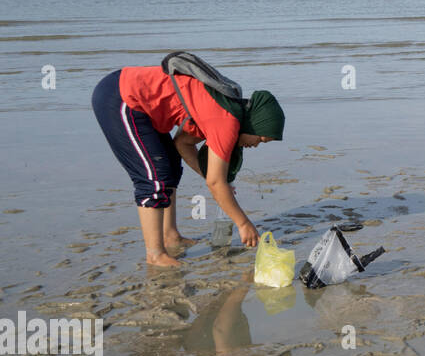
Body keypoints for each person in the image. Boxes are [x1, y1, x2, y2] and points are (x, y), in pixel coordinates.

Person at [92, 65, 284, 266]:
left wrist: (215, 180)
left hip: (139, 105)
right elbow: (215, 183)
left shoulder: (223, 108)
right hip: (121, 96)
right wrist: (243, 224)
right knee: (154, 179)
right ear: (253, 124)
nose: (255, 145)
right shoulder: (226, 120)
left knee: (171, 167)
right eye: (260, 139)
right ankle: (155, 254)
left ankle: (171, 236)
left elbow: (182, 144)